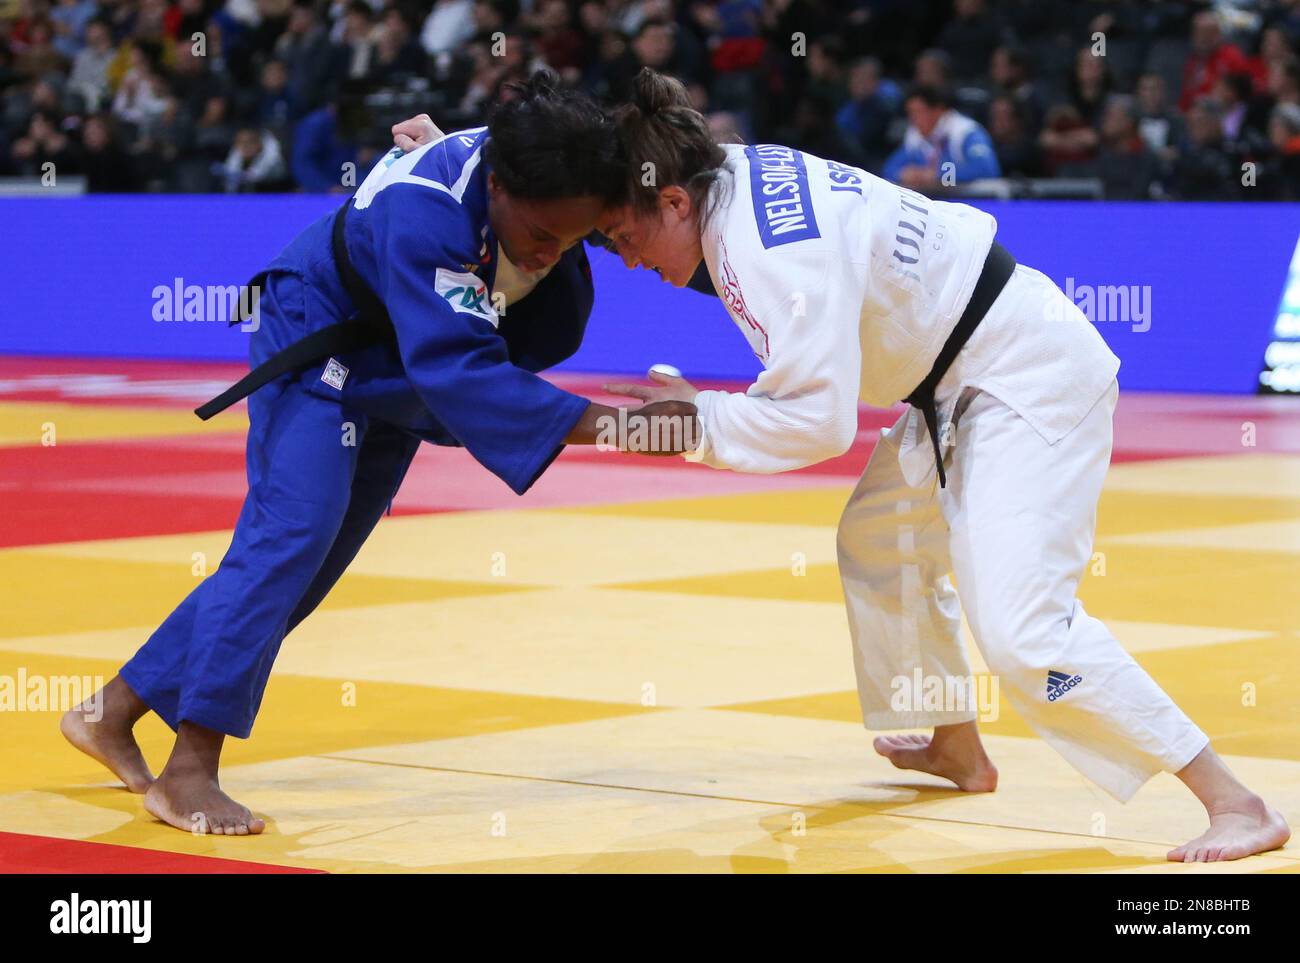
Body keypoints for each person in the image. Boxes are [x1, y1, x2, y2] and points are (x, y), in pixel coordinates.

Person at [595, 67, 1290, 862]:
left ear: (674, 201)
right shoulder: (728, 164)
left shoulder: (764, 249)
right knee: (879, 536)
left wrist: (696, 422)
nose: (626, 259)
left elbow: (818, 424)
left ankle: (1235, 801)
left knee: (1024, 632)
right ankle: (955, 740)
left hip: (1021, 376)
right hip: (959, 373)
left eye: (624, 236)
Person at [61, 72, 696, 836]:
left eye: (570, 238)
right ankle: (188, 770)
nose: (550, 253)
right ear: (495, 185)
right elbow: (463, 373)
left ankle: (110, 711)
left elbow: (567, 249)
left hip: (401, 363)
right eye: (538, 236)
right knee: (288, 539)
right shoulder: (424, 215)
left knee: (310, 564)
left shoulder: (560, 176)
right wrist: (629, 429)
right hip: (324, 329)